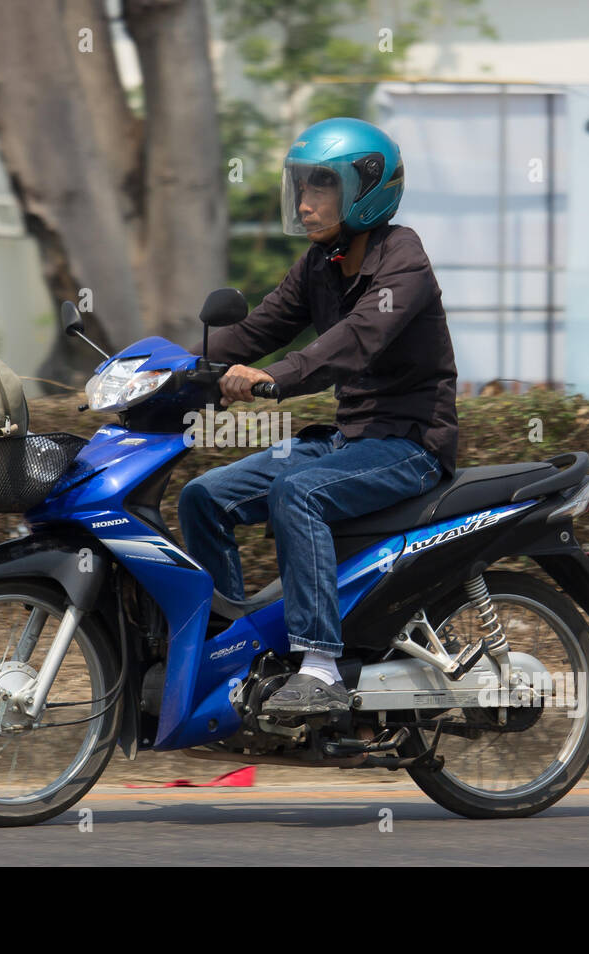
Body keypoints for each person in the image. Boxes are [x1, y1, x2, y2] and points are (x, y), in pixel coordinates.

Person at [179, 117, 459, 717]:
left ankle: (320, 667)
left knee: (297, 493)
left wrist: (274, 379)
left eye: (320, 189)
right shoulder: (319, 264)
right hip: (345, 440)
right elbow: (255, 330)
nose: (304, 204)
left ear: (366, 189)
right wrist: (167, 369)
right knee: (204, 497)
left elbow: (356, 340)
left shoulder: (402, 258)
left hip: (409, 445)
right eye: (300, 188)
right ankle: (235, 656)